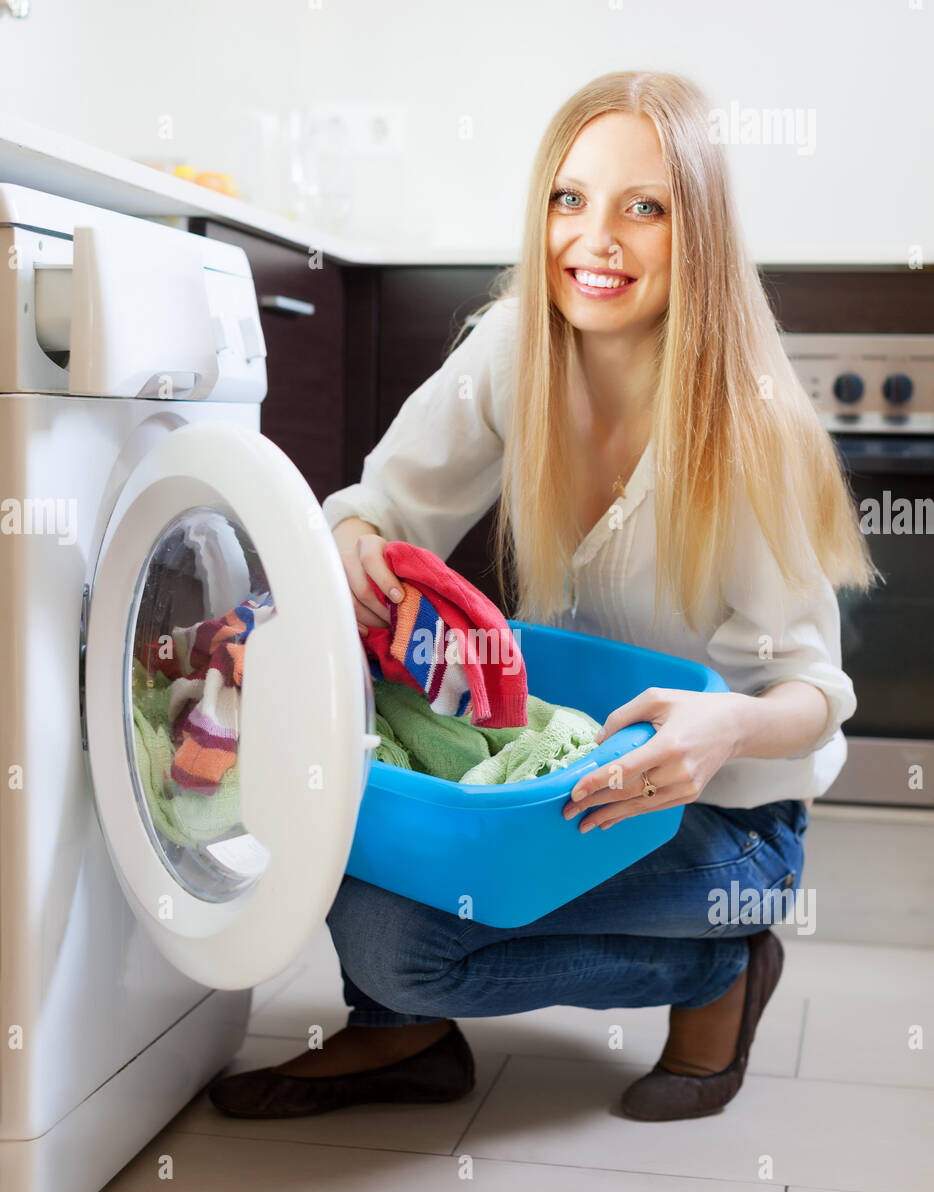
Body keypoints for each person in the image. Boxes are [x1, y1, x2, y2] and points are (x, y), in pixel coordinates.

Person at [210, 70, 876, 1124]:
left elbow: (814, 691)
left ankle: (719, 971)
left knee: (412, 943)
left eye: (641, 208)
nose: (594, 239)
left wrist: (719, 728)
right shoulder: (518, 346)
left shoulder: (753, 432)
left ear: (695, 231)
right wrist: (355, 546)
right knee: (343, 838)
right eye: (570, 199)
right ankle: (405, 1036)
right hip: (571, 760)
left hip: (726, 815)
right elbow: (380, 504)